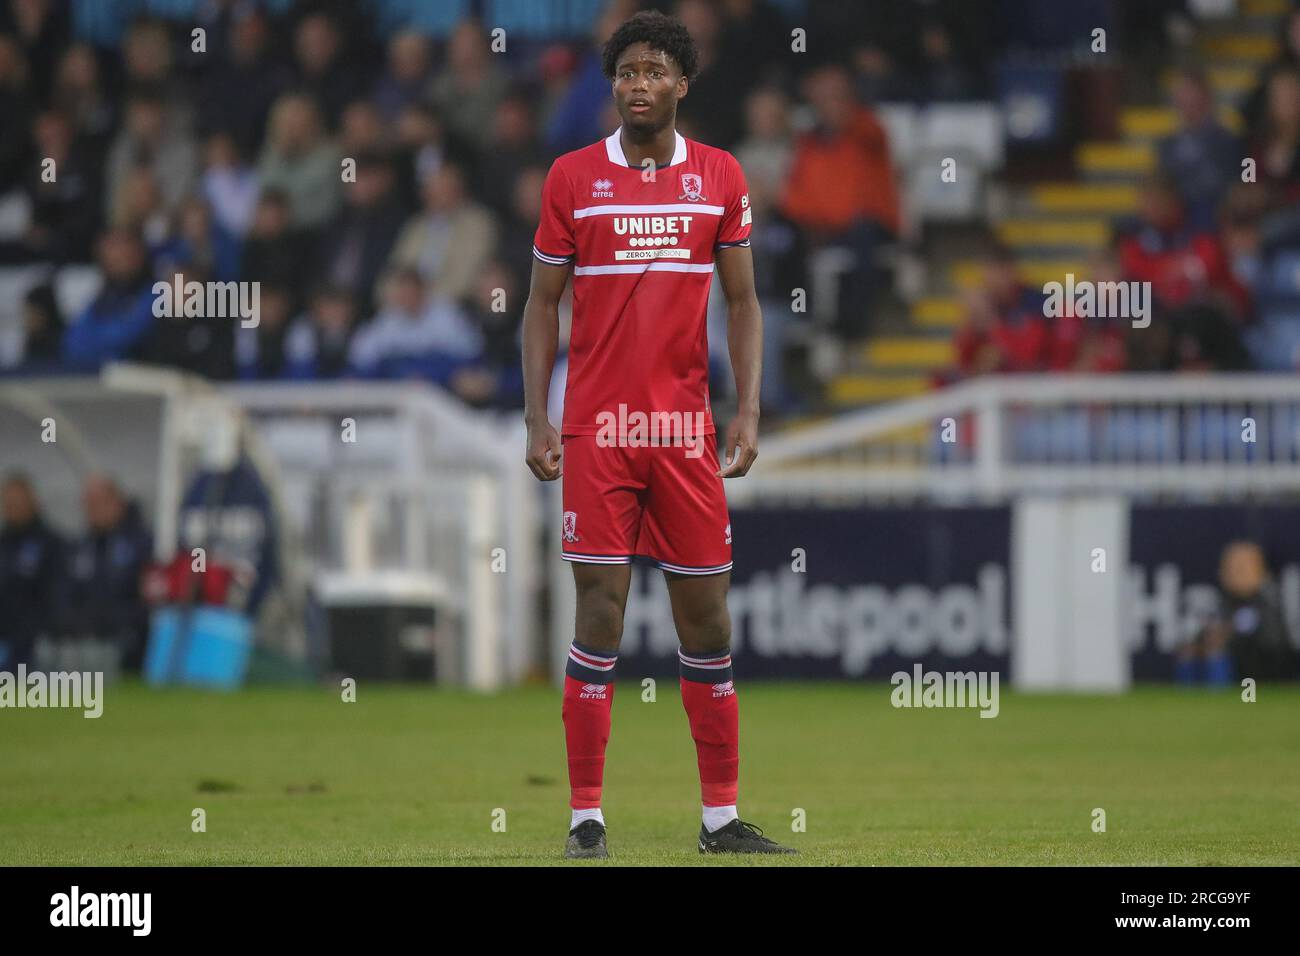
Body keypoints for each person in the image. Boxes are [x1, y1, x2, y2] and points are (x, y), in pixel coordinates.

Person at [521, 10, 793, 859]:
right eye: (626, 71)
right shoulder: (571, 177)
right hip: (598, 430)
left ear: (682, 83)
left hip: (683, 432)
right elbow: (540, 303)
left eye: (654, 71)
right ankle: (585, 819)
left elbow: (744, 303)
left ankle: (720, 821)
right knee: (599, 609)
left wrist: (746, 410)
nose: (638, 84)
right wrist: (538, 414)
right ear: (614, 85)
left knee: (707, 623)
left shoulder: (718, 176)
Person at [1176, 541, 1296, 685]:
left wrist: (1224, 638)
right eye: (1229, 568)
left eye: (1241, 569)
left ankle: (1221, 699)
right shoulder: (1224, 602)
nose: (1233, 574)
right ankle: (1191, 699)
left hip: (1261, 669)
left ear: (1260, 572)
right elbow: (1207, 632)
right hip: (1238, 658)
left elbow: (1271, 643)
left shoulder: (1264, 603)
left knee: (1218, 651)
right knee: (1190, 651)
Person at [0, 472, 63, 669]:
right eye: (8, 502)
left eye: (18, 501)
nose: (13, 507)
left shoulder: (51, 542)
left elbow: (56, 591)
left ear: (33, 500)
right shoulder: (3, 542)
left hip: (36, 637)